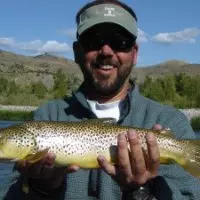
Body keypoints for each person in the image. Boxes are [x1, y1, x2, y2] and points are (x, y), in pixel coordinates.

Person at [0, 0, 200, 199]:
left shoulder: (170, 121)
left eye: (120, 41)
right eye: (93, 41)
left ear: (135, 53)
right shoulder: (46, 116)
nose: (106, 51)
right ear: (77, 52)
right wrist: (40, 189)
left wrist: (141, 191)